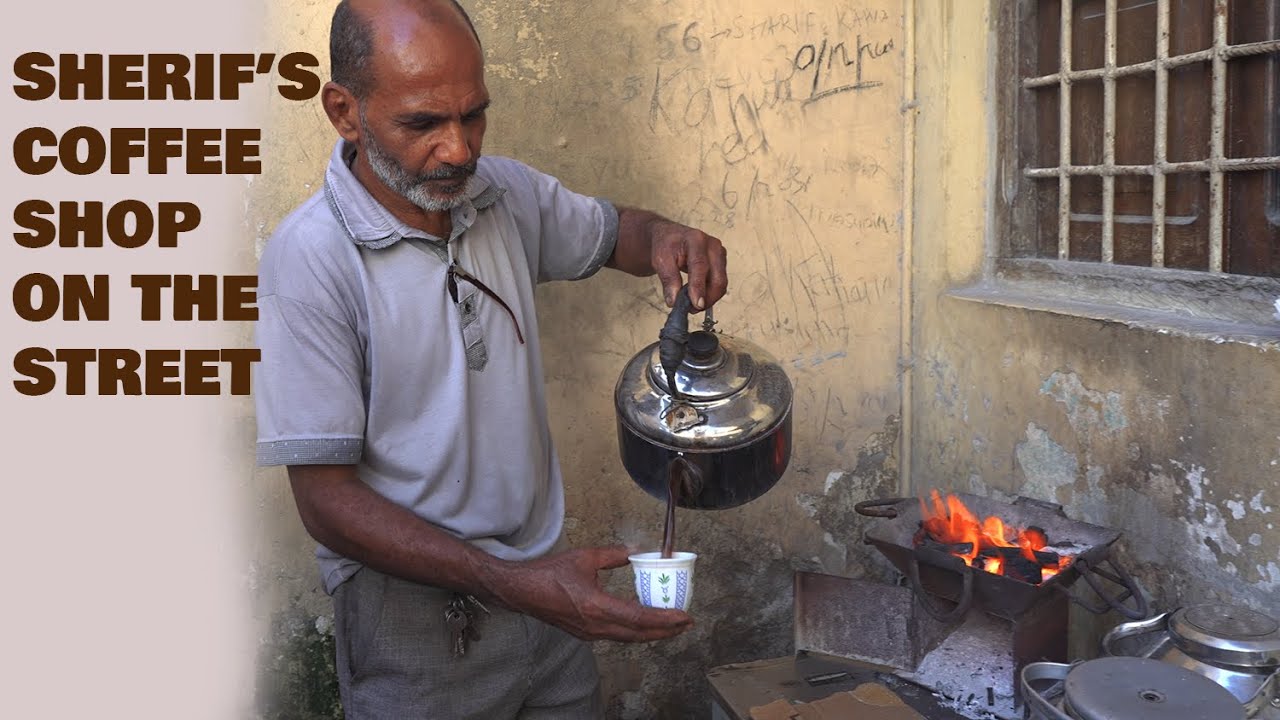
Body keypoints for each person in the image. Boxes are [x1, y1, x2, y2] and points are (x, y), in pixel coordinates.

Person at [252, 0, 728, 717]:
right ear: (345, 113)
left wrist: (667, 238)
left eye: (472, 114)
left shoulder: (501, 194)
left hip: (547, 597)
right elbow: (326, 502)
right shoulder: (311, 259)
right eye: (423, 124)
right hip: (420, 630)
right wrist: (510, 583)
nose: (458, 150)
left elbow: (616, 236)